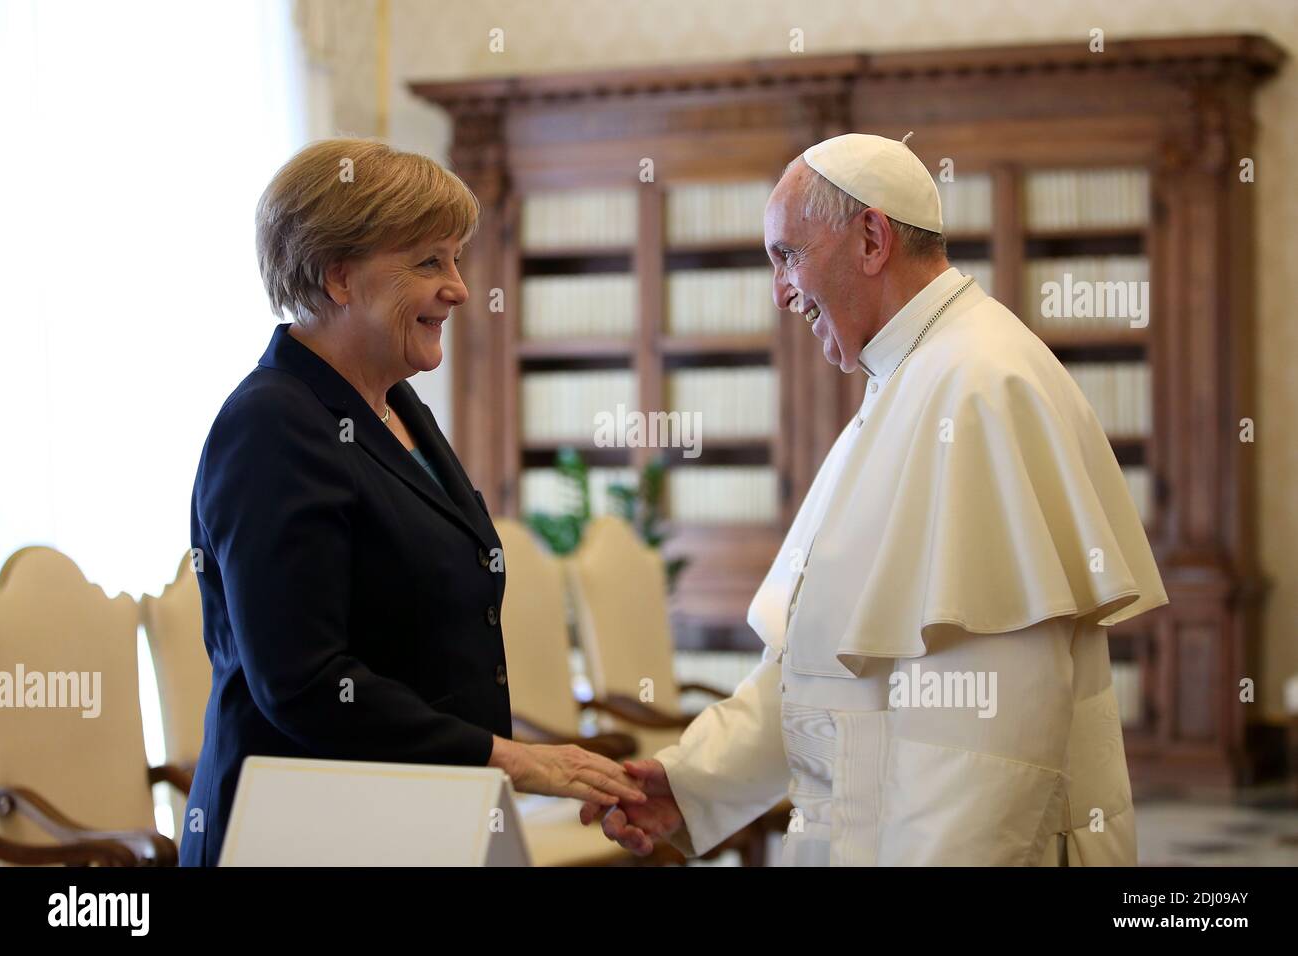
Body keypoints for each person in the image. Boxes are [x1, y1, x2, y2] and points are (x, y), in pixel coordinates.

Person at [583, 132, 1166, 866]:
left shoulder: (976, 387)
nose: (779, 292)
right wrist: (692, 780)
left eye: (786, 255)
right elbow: (828, 671)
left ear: (870, 237)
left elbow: (986, 742)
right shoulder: (913, 378)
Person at [181, 138, 643, 867]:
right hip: (304, 836)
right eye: (429, 261)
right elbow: (303, 681)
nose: (459, 287)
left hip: (414, 821)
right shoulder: (273, 423)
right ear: (339, 276)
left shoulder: (398, 407)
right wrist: (508, 758)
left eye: (456, 258)